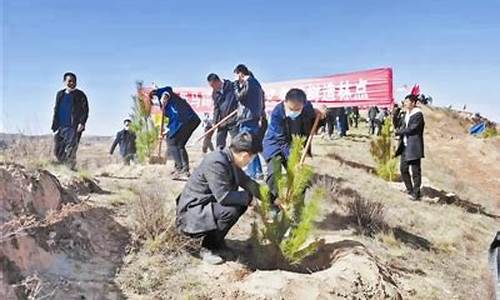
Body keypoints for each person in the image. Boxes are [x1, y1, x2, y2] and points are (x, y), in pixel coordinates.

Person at [176, 132, 264, 264]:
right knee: (232, 209)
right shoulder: (216, 161)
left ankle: (216, 242)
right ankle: (207, 248)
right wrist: (250, 199)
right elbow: (224, 196)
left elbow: (247, 182)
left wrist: (273, 198)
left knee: (239, 204)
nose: (249, 162)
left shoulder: (229, 159)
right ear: (245, 155)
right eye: (251, 158)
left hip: (206, 205)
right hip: (192, 212)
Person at [262, 88, 322, 208]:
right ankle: (274, 207)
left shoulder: (307, 107)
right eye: (291, 109)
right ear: (285, 102)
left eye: (297, 109)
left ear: (303, 105)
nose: (294, 112)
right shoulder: (277, 113)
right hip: (275, 144)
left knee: (300, 178)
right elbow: (281, 140)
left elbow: (314, 119)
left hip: (294, 143)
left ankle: (298, 210)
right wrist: (293, 159)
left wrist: (322, 113)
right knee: (274, 174)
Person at [150, 86, 201, 180]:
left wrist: (164, 96)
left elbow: (168, 90)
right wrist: (166, 130)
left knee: (172, 141)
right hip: (189, 120)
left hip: (186, 119)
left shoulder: (165, 95)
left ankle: (180, 169)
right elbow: (173, 119)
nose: (154, 103)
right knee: (179, 144)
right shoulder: (164, 108)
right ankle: (184, 170)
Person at [51, 72, 89, 170]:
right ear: (64, 81)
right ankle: (62, 166)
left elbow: (85, 110)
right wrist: (54, 124)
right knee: (57, 150)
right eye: (69, 81)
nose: (72, 83)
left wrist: (82, 123)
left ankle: (69, 168)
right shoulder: (60, 94)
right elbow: (56, 109)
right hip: (60, 126)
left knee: (71, 149)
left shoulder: (80, 95)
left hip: (73, 126)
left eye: (74, 81)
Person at [233, 64, 264, 180]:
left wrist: (236, 84)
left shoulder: (249, 83)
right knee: (251, 145)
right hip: (252, 118)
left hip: (248, 118)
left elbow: (239, 96)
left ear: (240, 73)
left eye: (237, 75)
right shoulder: (256, 83)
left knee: (247, 146)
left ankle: (252, 173)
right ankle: (257, 171)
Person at [395, 94, 425, 201]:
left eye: (407, 101)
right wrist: (395, 112)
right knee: (403, 169)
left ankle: (416, 193)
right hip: (405, 146)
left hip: (414, 146)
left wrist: (398, 132)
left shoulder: (418, 115)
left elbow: (412, 129)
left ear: (413, 103)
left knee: (415, 171)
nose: (405, 103)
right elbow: (398, 124)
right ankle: (410, 189)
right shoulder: (406, 114)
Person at [207, 73, 239, 149]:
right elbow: (216, 108)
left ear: (217, 82)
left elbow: (239, 98)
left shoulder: (231, 86)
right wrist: (214, 122)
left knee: (236, 142)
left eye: (212, 86)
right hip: (222, 121)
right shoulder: (215, 94)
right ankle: (220, 158)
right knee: (219, 143)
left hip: (234, 119)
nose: (212, 88)